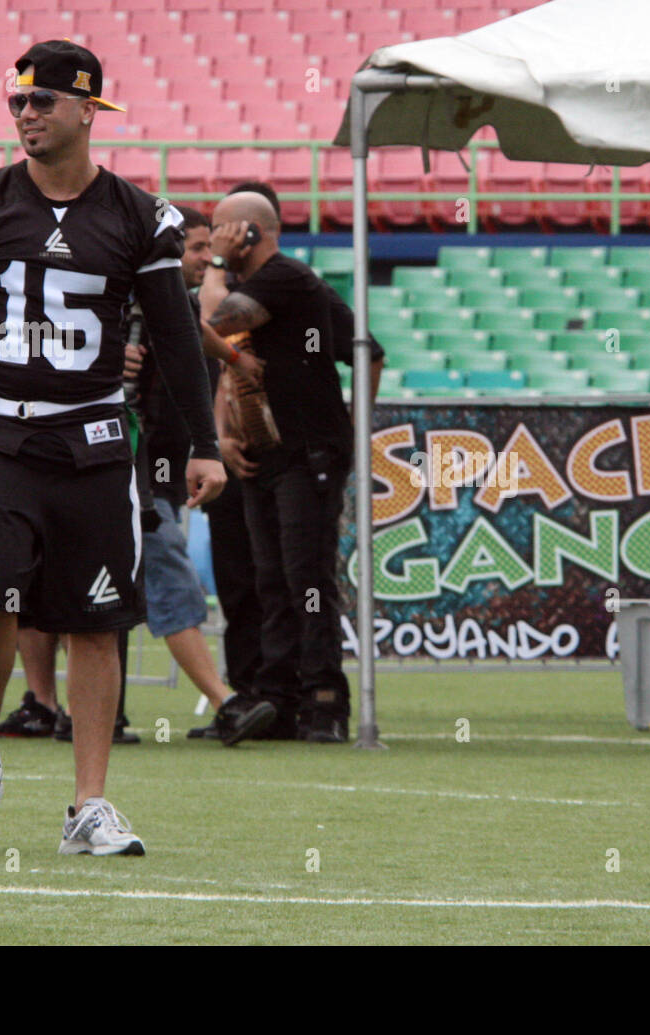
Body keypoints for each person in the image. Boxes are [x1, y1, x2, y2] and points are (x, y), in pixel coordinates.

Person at [0, 40, 229, 856]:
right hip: (0, 426)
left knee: (96, 619)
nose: (27, 115)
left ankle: (89, 803)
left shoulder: (141, 216)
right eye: (18, 102)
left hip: (96, 435)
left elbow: (180, 343)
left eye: (42, 102)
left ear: (88, 111)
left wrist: (205, 444)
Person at [191, 180, 383, 740]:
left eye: (224, 229)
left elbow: (211, 323)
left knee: (306, 576)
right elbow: (361, 345)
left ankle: (324, 698)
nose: (215, 242)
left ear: (251, 232)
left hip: (307, 451)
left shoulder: (283, 278)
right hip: (270, 453)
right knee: (271, 579)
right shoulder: (298, 288)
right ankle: (279, 699)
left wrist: (347, 430)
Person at [124, 204, 275, 744]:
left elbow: (202, 329)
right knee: (171, 581)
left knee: (125, 589)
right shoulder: (127, 304)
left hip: (154, 472)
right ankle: (225, 700)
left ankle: (89, 712)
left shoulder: (171, 305)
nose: (206, 259)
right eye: (195, 248)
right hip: (127, 470)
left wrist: (234, 361)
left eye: (209, 248)